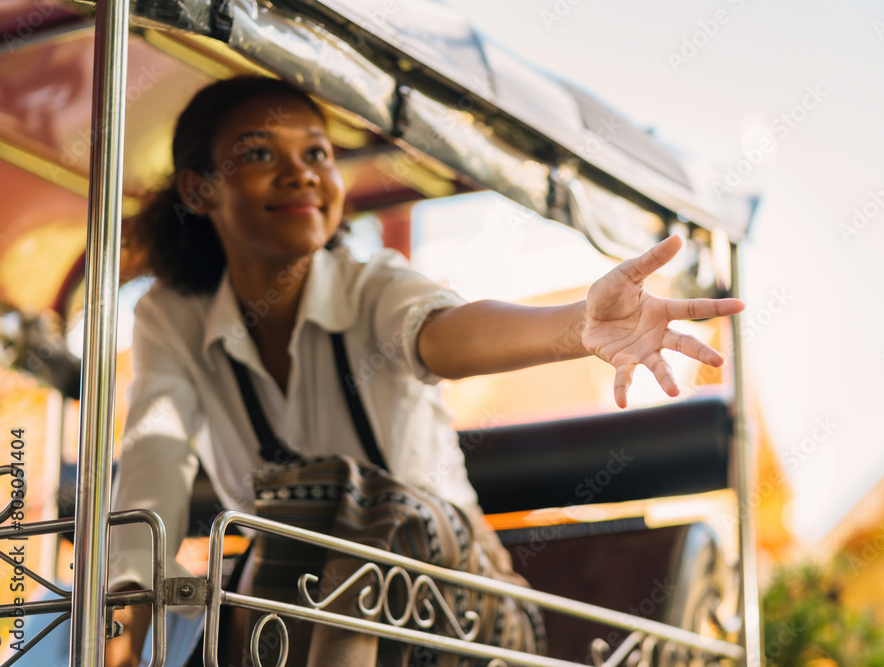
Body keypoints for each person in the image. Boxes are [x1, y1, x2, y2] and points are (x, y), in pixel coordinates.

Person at [104, 76, 744, 667]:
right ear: (199, 189)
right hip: (289, 599)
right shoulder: (173, 317)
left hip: (461, 609)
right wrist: (122, 616)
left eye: (318, 154)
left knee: (358, 503)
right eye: (259, 153)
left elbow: (447, 334)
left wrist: (576, 325)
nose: (301, 174)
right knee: (270, 537)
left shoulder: (374, 286)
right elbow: (152, 457)